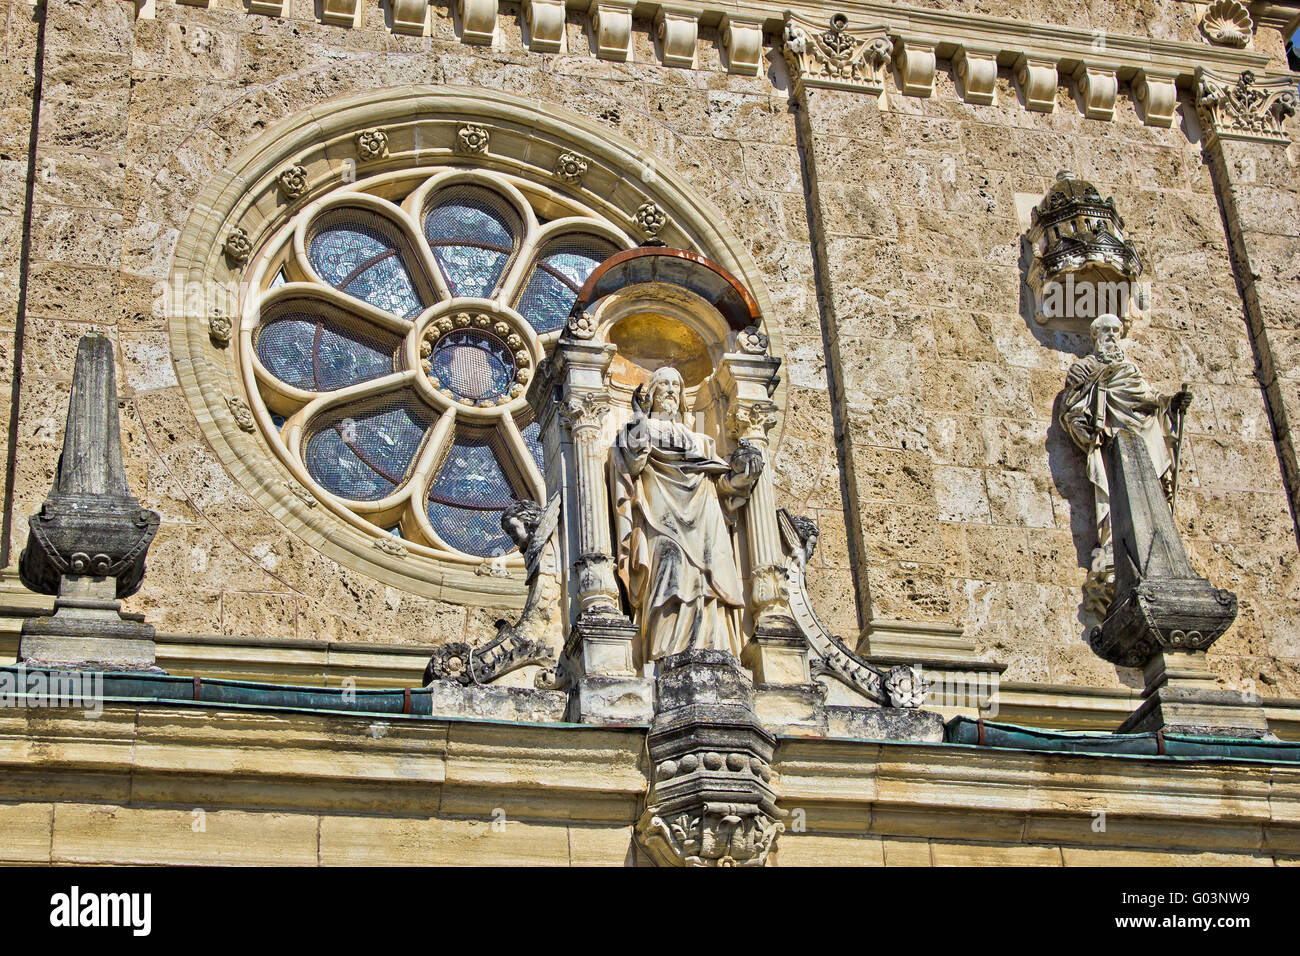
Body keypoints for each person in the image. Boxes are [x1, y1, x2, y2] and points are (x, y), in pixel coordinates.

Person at [609, 366, 761, 663]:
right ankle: (665, 652)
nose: (670, 389)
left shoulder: (701, 442)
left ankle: (714, 649)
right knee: (669, 569)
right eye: (663, 383)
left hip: (706, 517)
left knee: (710, 581)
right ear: (651, 393)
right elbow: (632, 464)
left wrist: (743, 476)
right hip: (661, 517)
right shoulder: (640, 430)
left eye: (675, 385)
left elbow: (723, 488)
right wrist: (639, 418)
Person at [1060, 314, 1190, 594]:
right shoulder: (1083, 369)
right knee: (1110, 494)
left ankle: (1158, 543)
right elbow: (1072, 410)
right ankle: (1110, 547)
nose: (1112, 336)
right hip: (1108, 442)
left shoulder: (1130, 370)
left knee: (1146, 490)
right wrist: (1091, 436)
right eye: (1106, 330)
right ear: (1095, 336)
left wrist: (1172, 405)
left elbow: (1149, 400)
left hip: (1137, 441)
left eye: (1116, 331)